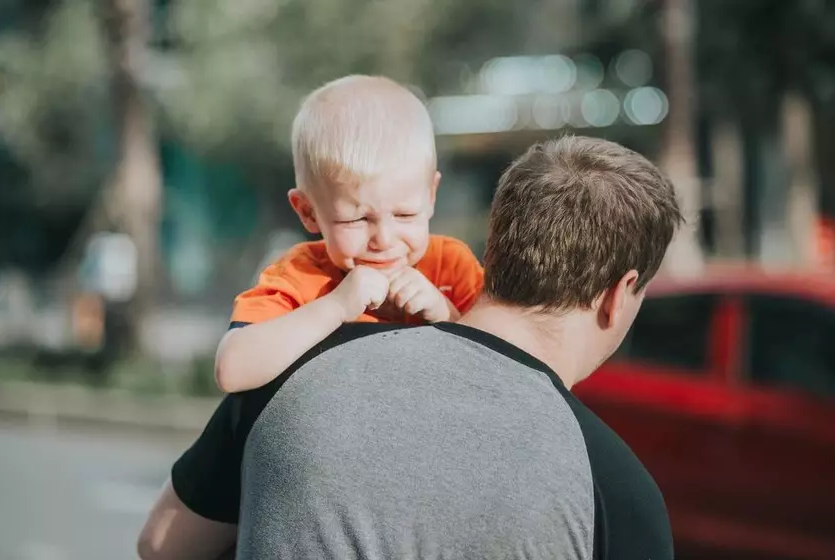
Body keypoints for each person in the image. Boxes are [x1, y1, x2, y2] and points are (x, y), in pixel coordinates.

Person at [138, 135, 683, 560]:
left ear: (496, 248)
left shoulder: (294, 371)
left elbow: (161, 546)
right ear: (617, 296)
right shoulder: (617, 490)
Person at [214, 75, 484, 393]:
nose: (383, 239)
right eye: (356, 219)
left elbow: (505, 370)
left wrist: (446, 314)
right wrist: (336, 306)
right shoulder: (299, 277)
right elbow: (232, 371)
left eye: (404, 214)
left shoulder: (451, 266)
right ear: (307, 211)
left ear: (431, 196)